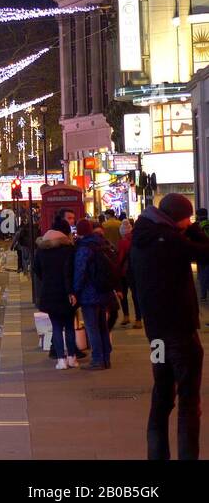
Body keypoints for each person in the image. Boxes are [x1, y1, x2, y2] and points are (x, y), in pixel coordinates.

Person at [129, 193, 209, 460]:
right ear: (178, 217)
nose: (188, 222)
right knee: (188, 401)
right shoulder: (172, 240)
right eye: (187, 218)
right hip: (181, 335)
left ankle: (157, 455)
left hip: (157, 337)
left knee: (162, 395)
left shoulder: (141, 238)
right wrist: (196, 231)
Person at [34, 218, 80, 370]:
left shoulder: (42, 249)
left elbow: (37, 270)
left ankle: (61, 360)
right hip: (67, 292)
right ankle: (72, 357)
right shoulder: (68, 249)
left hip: (50, 292)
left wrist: (47, 280)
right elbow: (72, 271)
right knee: (69, 326)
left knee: (56, 327)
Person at [72, 219, 115, 371]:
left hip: (89, 293)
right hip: (104, 291)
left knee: (92, 327)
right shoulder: (102, 243)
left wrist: (75, 291)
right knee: (102, 326)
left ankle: (97, 359)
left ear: (79, 231)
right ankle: (106, 358)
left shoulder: (84, 248)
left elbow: (80, 272)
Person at [197, 209, 209, 303]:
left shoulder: (198, 226)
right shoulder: (208, 224)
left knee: (202, 276)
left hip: (202, 255)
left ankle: (203, 295)